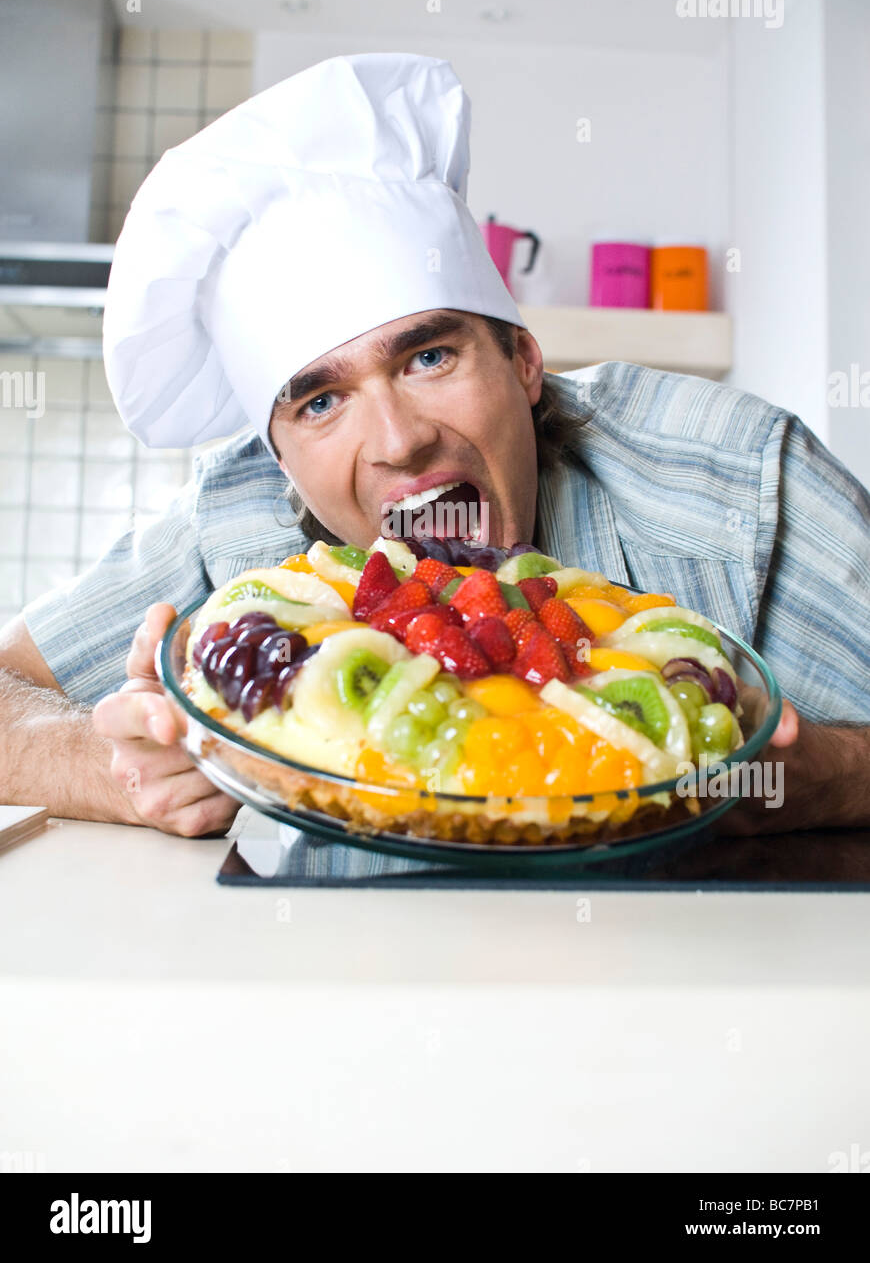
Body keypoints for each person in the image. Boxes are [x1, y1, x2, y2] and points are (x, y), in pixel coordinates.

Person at [0, 54, 867, 838]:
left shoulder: (737, 478)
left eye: (429, 356)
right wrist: (119, 764)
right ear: (278, 456)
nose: (400, 441)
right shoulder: (236, 523)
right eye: (322, 402)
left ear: (525, 358)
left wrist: (815, 780)